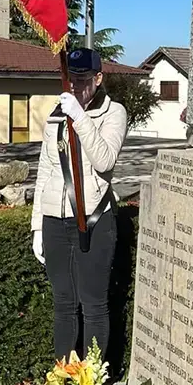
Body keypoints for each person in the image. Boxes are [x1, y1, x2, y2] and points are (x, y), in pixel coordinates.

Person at [31, 47, 128, 363]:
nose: (76, 87)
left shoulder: (114, 114)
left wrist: (80, 117)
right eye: (71, 80)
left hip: (94, 220)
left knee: (93, 304)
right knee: (63, 304)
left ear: (98, 79)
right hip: (55, 220)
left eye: (84, 80)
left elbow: (105, 160)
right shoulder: (57, 115)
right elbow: (45, 171)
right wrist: (37, 226)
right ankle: (62, 383)